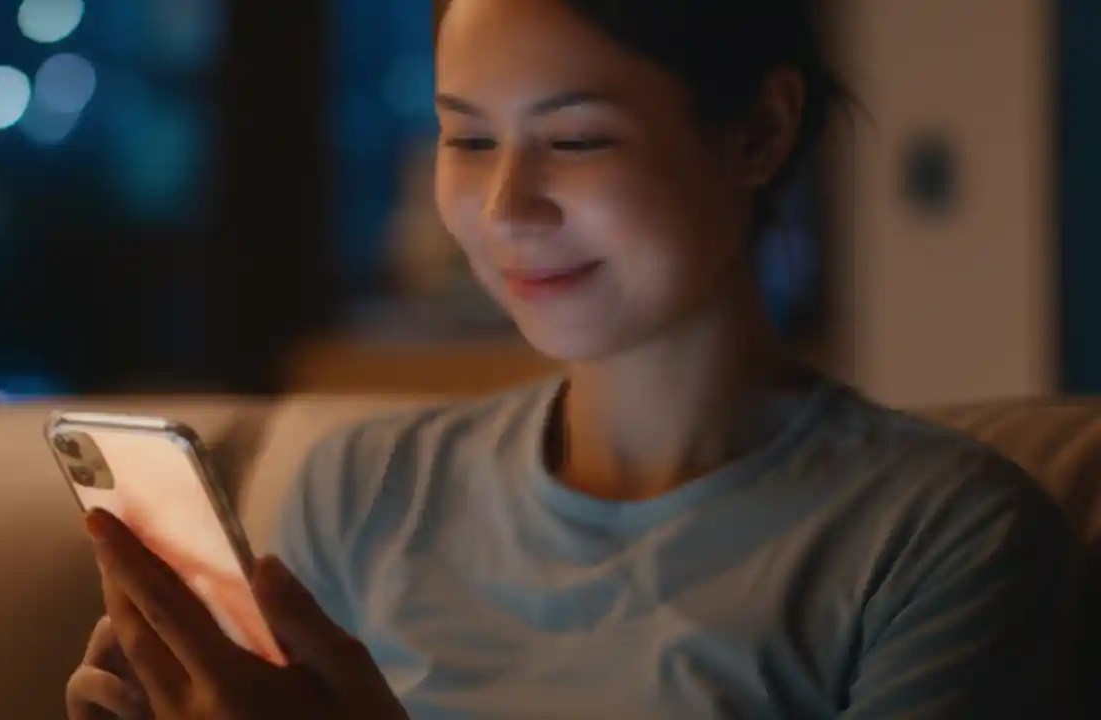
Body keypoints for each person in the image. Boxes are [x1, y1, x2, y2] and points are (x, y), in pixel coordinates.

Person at [67, 0, 1083, 717]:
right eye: (467, 142)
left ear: (757, 134)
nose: (506, 207)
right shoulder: (363, 491)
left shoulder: (947, 542)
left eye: (578, 140)